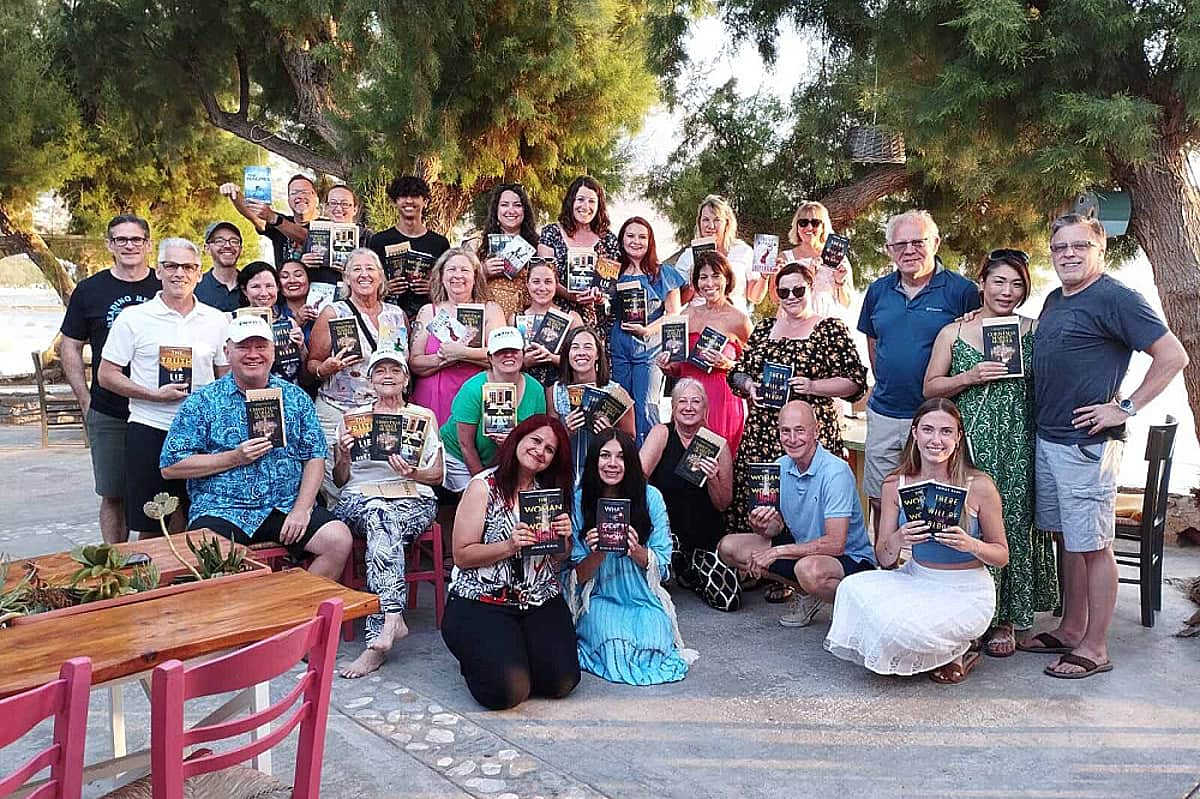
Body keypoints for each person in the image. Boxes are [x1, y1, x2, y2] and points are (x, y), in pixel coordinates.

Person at [1024, 214, 1187, 679]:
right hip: (1050, 439)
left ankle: (1096, 647)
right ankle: (1072, 627)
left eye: (1080, 246)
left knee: (1094, 545)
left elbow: (1173, 355)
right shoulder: (1057, 298)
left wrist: (1125, 407)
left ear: (1101, 251)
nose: (1069, 254)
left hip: (1086, 447)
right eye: (1059, 248)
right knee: (1067, 541)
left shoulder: (1117, 298)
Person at [923, 249, 1058, 657]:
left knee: (1013, 522)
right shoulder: (955, 332)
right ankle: (968, 610)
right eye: (999, 281)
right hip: (969, 443)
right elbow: (930, 387)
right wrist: (968, 376)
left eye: (1017, 284)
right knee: (969, 522)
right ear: (981, 282)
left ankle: (1005, 619)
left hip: (1019, 439)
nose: (1008, 291)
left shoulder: (1035, 329)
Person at [825, 398, 1010, 684]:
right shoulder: (895, 484)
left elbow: (1001, 556)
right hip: (917, 577)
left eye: (946, 431)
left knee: (901, 628)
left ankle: (958, 649)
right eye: (928, 430)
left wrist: (970, 544)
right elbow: (884, 559)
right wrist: (898, 538)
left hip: (966, 589)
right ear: (915, 433)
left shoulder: (980, 486)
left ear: (958, 437)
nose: (936, 440)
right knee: (850, 589)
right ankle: (941, 648)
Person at [160, 315, 351, 580]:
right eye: (243, 347)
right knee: (207, 555)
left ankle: (300, 614)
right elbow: (170, 466)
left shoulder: (295, 397)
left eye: (261, 347)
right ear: (227, 352)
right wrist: (234, 457)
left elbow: (315, 456)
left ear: (273, 352)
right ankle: (243, 620)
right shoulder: (202, 402)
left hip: (283, 506)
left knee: (338, 539)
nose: (253, 355)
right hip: (222, 508)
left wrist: (302, 509)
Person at [726, 262, 867, 560]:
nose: (791, 296)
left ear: (810, 288)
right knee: (763, 503)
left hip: (809, 433)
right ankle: (763, 565)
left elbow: (855, 382)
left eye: (798, 289)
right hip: (764, 433)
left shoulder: (829, 329)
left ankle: (806, 566)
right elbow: (737, 373)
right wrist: (750, 386)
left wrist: (814, 387)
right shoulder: (764, 328)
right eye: (784, 291)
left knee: (809, 505)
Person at [441, 415, 580, 710]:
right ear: (518, 438)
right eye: (536, 440)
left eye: (550, 449)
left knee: (561, 682)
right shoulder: (483, 486)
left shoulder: (549, 492)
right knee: (506, 693)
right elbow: (463, 555)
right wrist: (509, 546)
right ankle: (475, 652)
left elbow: (558, 557)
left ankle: (513, 650)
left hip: (539, 598)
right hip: (482, 599)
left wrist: (565, 539)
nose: (540, 451)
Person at [98, 238, 230, 536]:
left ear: (199, 273)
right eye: (171, 265)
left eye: (188, 267)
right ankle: (150, 580)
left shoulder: (216, 320)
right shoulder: (133, 318)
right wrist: (152, 395)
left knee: (195, 518)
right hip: (150, 427)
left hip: (201, 434)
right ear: (158, 271)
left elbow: (224, 377)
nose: (179, 273)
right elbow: (107, 375)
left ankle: (187, 581)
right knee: (151, 523)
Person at [857, 210, 980, 530]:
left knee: (939, 500)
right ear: (888, 249)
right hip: (885, 411)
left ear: (936, 243)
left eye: (917, 242)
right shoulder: (877, 291)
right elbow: (873, 339)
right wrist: (886, 374)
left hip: (937, 417)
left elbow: (976, 339)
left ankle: (933, 570)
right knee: (881, 496)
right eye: (900, 244)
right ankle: (886, 565)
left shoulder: (961, 291)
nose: (908, 250)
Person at [332, 350, 444, 678]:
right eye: (379, 370)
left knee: (384, 518)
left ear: (406, 379)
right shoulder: (352, 417)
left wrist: (412, 473)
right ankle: (390, 617)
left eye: (395, 370)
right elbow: (340, 480)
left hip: (413, 498)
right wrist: (342, 455)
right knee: (381, 513)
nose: (387, 375)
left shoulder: (422, 416)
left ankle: (383, 628)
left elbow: (436, 476)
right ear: (369, 379)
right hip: (361, 499)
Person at [717, 401, 876, 625]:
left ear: (816, 431)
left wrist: (777, 552)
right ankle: (807, 595)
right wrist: (760, 524)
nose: (792, 439)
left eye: (800, 430)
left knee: (808, 569)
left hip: (849, 559)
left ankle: (862, 610)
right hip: (804, 549)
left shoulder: (835, 471)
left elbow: (835, 543)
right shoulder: (779, 466)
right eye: (785, 431)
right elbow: (776, 529)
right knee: (729, 547)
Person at [59, 214, 161, 544]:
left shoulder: (164, 286)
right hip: (110, 409)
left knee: (156, 497)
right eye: (121, 240)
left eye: (136, 240)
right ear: (109, 245)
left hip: (159, 410)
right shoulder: (90, 290)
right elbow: (70, 347)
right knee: (112, 493)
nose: (129, 246)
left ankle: (154, 570)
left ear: (148, 244)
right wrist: (85, 400)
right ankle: (115, 567)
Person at [570, 428, 696, 685]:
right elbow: (575, 577)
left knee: (654, 642)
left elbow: (663, 564)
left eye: (621, 457)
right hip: (600, 596)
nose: (612, 464)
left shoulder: (651, 498)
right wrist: (598, 553)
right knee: (615, 643)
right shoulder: (580, 500)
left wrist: (637, 551)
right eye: (605, 456)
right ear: (594, 461)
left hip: (643, 595)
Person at [307, 248, 409, 494]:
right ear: (346, 278)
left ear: (381, 277)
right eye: (357, 269)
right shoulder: (333, 313)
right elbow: (312, 364)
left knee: (380, 485)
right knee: (338, 486)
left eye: (370, 268)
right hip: (338, 411)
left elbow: (404, 364)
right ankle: (337, 532)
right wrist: (325, 368)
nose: (364, 275)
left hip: (383, 413)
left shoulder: (396, 315)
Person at [640, 378, 735, 610]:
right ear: (673, 408)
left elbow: (723, 504)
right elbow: (637, 479)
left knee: (727, 600)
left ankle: (690, 570)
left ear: (705, 409)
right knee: (651, 591)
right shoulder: (661, 433)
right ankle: (674, 565)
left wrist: (713, 478)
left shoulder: (718, 444)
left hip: (704, 534)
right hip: (666, 532)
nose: (689, 407)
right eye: (682, 401)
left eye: (696, 402)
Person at [656, 250, 752, 455]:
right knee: (686, 465)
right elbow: (677, 367)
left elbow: (754, 366)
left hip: (722, 400)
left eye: (716, 276)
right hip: (687, 401)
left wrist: (728, 364)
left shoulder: (739, 320)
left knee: (718, 466)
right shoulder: (686, 315)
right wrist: (666, 366)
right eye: (703, 277)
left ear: (727, 279)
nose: (709, 283)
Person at [439, 327, 548, 491]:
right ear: (490, 357)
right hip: (459, 457)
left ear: (523, 354)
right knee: (479, 501)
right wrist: (486, 487)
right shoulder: (473, 389)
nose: (509, 355)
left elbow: (539, 435)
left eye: (514, 350)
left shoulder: (536, 389)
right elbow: (465, 445)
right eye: (501, 351)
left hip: (506, 459)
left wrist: (512, 443)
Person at [609, 217, 686, 444]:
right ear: (621, 239)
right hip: (619, 347)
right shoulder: (613, 271)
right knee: (619, 407)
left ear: (650, 241)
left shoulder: (664, 273)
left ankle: (648, 464)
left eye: (642, 237)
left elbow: (673, 314)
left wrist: (647, 331)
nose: (636, 241)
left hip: (650, 349)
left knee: (645, 407)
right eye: (630, 236)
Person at [409, 248, 506, 425]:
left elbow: (500, 356)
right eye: (451, 269)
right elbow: (415, 362)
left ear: (476, 276)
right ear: (441, 276)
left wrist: (461, 352)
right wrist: (444, 357)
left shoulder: (491, 309)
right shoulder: (428, 311)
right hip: (432, 398)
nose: (457, 275)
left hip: (477, 394)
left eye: (464, 270)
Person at [546, 325, 634, 481]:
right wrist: (565, 431)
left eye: (588, 347)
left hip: (603, 477)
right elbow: (548, 439)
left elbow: (631, 441)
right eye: (575, 347)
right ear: (567, 354)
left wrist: (611, 435)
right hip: (564, 475)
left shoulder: (618, 394)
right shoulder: (553, 391)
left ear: (598, 354)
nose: (581, 352)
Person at [535, 175, 620, 331]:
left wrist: (600, 295)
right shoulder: (551, 233)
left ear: (599, 205)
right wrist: (569, 294)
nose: (585, 206)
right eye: (580, 199)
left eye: (592, 201)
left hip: (595, 319)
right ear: (571, 201)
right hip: (558, 315)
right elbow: (543, 275)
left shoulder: (608, 240)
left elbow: (607, 285)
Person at [367, 175, 451, 320]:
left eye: (415, 196)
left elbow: (449, 284)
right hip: (387, 317)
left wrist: (432, 289)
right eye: (403, 196)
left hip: (428, 317)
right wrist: (384, 288)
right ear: (395, 202)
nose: (409, 201)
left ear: (425, 201)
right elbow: (368, 279)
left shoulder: (439, 243)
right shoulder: (379, 241)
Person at [669, 195, 766, 313]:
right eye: (706, 220)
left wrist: (765, 276)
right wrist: (692, 285)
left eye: (717, 220)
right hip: (699, 322)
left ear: (727, 223)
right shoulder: (688, 256)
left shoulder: (743, 251)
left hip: (734, 321)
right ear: (699, 222)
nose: (711, 226)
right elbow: (677, 302)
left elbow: (755, 297)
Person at [220, 173, 319, 273]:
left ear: (316, 199)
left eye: (305, 192)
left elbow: (308, 238)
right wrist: (235, 195)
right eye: (294, 193)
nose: (300, 196)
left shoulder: (328, 226)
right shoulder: (279, 222)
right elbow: (254, 216)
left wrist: (274, 219)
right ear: (288, 200)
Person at [474, 182, 540, 319]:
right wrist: (483, 271)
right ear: (496, 210)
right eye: (504, 205)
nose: (511, 210)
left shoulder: (538, 245)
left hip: (526, 316)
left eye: (517, 205)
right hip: (489, 315)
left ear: (525, 211)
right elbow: (462, 281)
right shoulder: (479, 244)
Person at [236, 261, 307, 385]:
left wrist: (301, 348)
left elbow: (305, 373)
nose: (264, 293)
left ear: (278, 288)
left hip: (287, 394)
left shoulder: (289, 322)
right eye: (256, 287)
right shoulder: (232, 321)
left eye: (269, 286)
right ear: (244, 290)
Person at [519, 258, 583, 388]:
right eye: (536, 282)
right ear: (527, 284)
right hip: (526, 387)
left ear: (556, 285)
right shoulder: (516, 318)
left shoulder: (571, 317)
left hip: (561, 387)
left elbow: (583, 358)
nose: (542, 288)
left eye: (548, 282)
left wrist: (552, 358)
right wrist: (524, 362)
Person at [299, 184, 374, 286]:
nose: (338, 208)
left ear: (355, 209)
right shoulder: (314, 232)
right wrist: (303, 264)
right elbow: (303, 273)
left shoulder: (367, 237)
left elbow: (376, 275)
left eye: (345, 204)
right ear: (326, 208)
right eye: (333, 203)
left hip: (353, 294)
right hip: (320, 292)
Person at [194, 221, 243, 312]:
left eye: (234, 241)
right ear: (207, 248)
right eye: (219, 241)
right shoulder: (195, 287)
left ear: (241, 249)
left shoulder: (252, 286)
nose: (228, 245)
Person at [277, 258, 319, 346]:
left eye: (298, 275)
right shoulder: (275, 313)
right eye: (285, 277)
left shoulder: (325, 308)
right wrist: (297, 322)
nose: (292, 280)